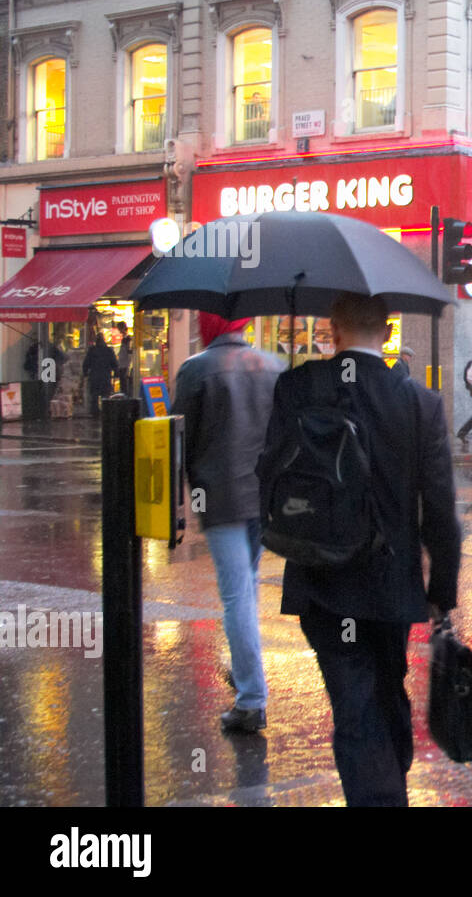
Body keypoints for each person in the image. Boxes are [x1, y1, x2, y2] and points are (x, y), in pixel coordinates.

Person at [263, 293, 461, 806]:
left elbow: (269, 473)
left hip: (321, 579)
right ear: (389, 330)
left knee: (358, 703)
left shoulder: (297, 385)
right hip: (390, 586)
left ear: (332, 329)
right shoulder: (420, 402)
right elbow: (440, 508)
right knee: (381, 692)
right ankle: (386, 791)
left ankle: (381, 794)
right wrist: (441, 590)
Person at [172, 313, 285, 733]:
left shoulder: (196, 368)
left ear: (207, 325)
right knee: (247, 588)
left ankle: (251, 698)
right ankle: (244, 672)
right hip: (264, 497)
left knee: (237, 595)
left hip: (219, 498)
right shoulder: (273, 365)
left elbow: (178, 438)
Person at [81, 332, 117, 418]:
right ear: (104, 340)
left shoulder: (92, 350)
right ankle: (106, 412)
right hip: (105, 376)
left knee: (94, 396)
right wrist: (116, 373)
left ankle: (95, 413)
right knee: (105, 395)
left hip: (94, 377)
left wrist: (85, 373)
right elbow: (114, 364)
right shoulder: (109, 350)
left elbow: (86, 363)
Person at [115, 322, 134, 391]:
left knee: (124, 384)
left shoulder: (127, 339)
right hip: (122, 364)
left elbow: (129, 353)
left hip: (125, 365)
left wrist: (128, 366)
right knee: (123, 384)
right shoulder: (125, 339)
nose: (119, 331)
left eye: (119, 329)